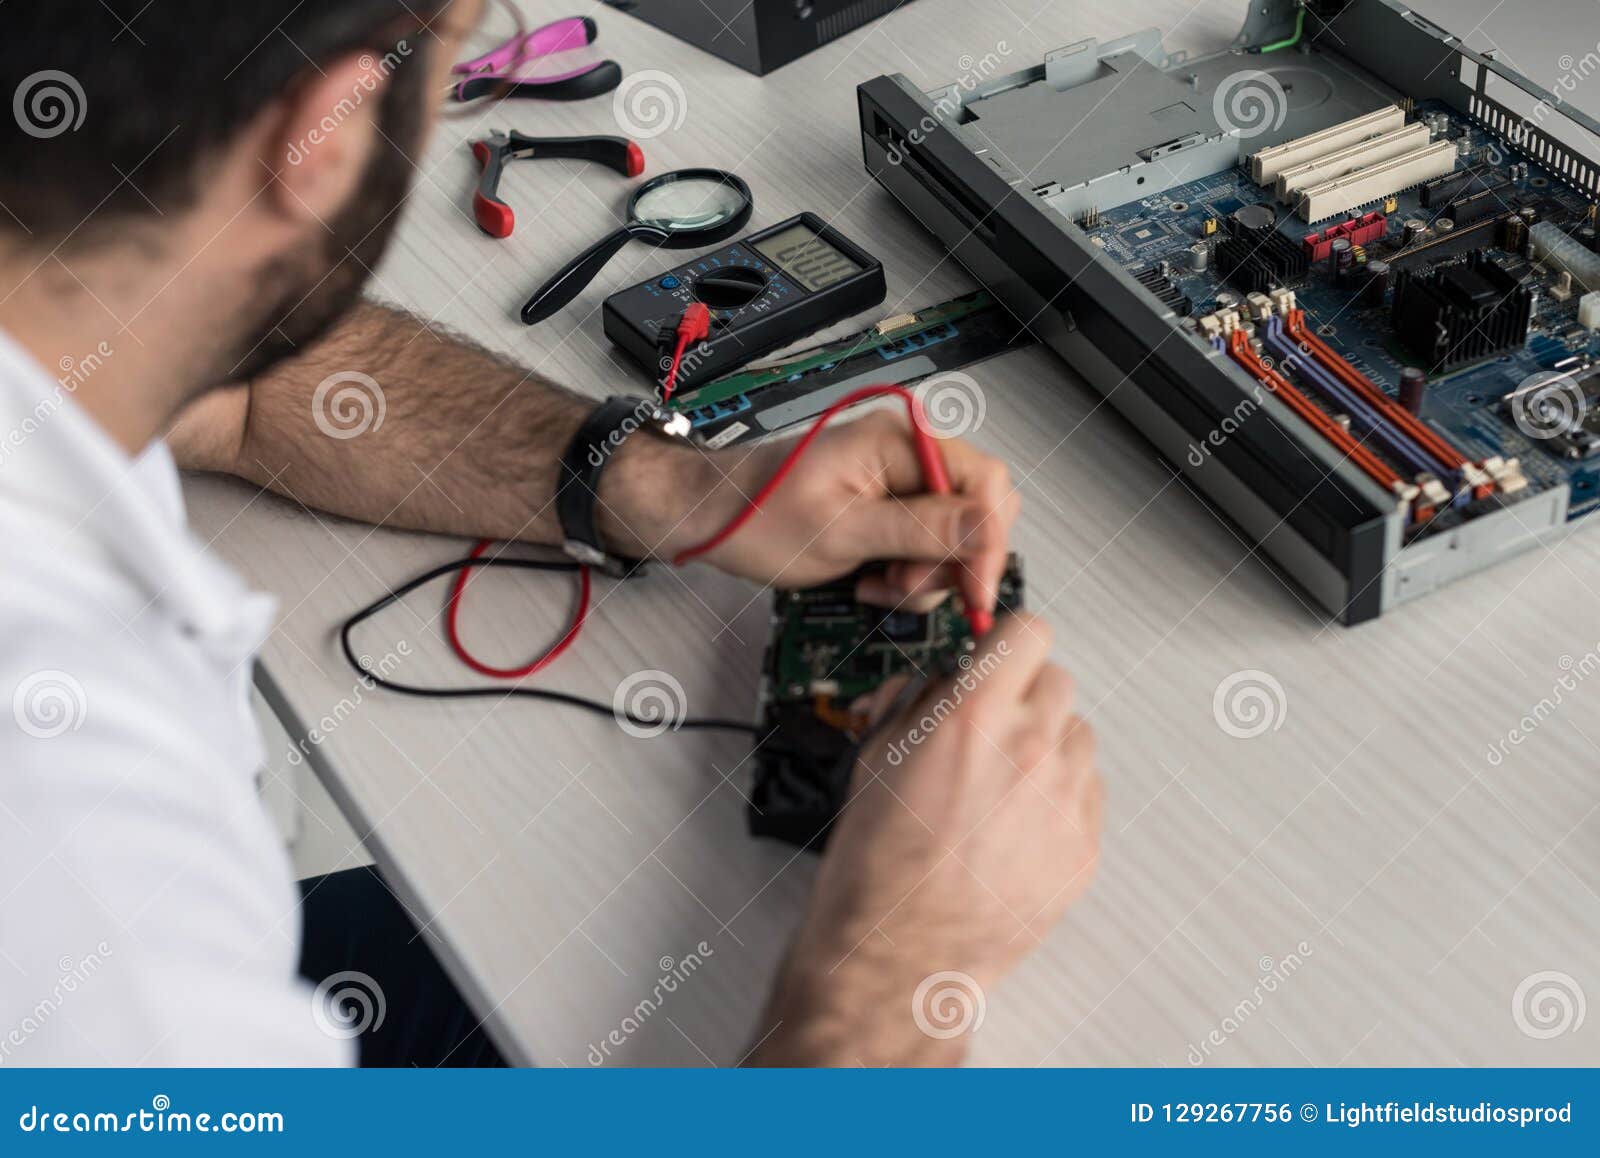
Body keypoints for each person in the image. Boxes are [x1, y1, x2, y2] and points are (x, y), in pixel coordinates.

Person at [0, 0, 1101, 1067]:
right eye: (467, 49)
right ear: (319, 140)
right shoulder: (82, 857)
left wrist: (659, 481)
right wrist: (895, 968)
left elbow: (236, 385)